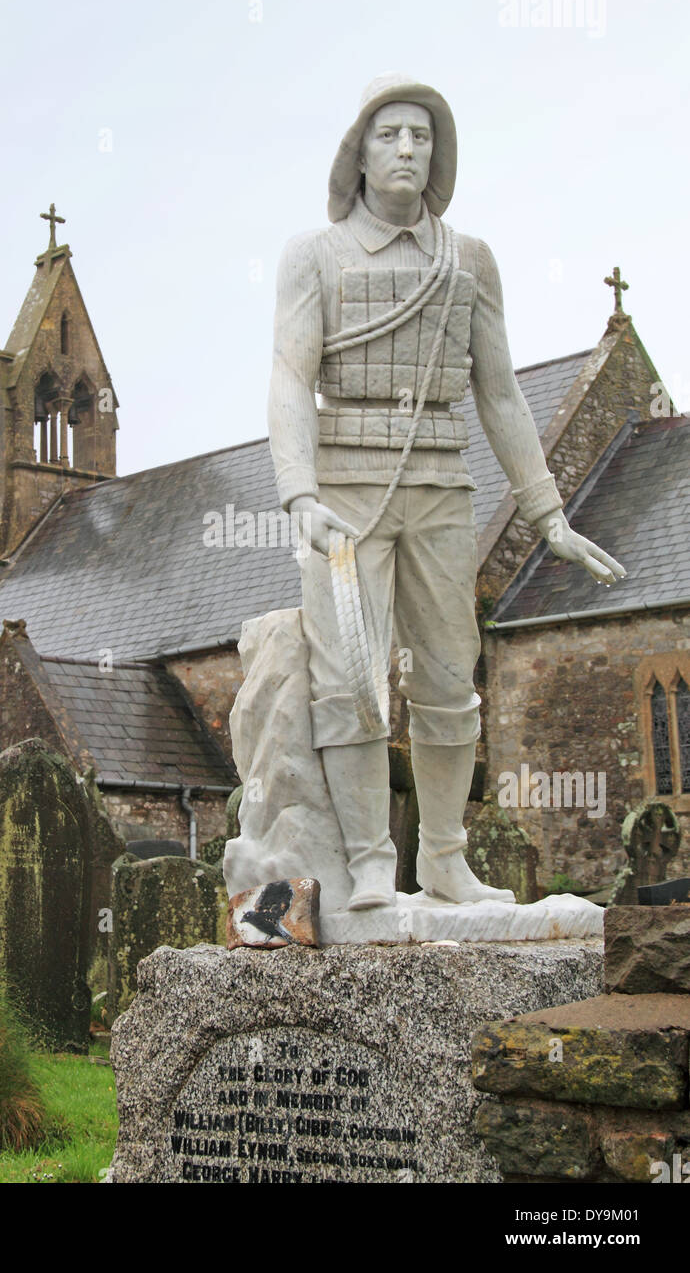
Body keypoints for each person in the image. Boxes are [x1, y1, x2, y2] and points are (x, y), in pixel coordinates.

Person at [267, 74, 625, 912]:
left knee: (448, 678)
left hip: (439, 483)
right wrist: (298, 497)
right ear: (358, 152)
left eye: (422, 137)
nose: (406, 149)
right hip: (346, 489)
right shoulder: (311, 256)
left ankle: (444, 858)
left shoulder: (469, 263)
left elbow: (499, 393)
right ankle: (364, 860)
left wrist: (547, 511)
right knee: (350, 679)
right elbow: (290, 377)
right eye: (389, 134)